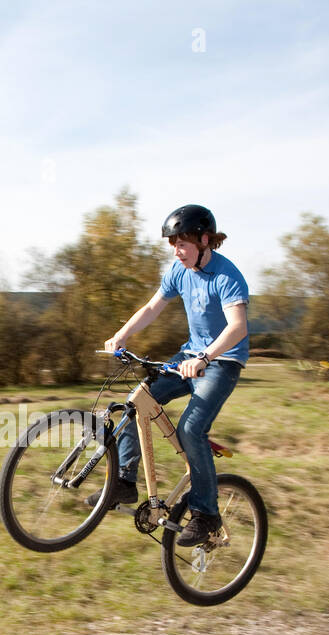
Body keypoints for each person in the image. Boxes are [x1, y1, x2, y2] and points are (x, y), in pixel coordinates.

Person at [87, 203, 250, 548]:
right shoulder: (179, 271)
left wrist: (206, 356)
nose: (177, 250)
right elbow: (150, 308)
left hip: (223, 362)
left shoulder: (227, 276)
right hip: (189, 357)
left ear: (205, 240)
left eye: (183, 243)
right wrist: (122, 335)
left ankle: (206, 515)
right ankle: (124, 482)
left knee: (191, 428)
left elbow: (237, 328)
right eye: (173, 243)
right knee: (137, 401)